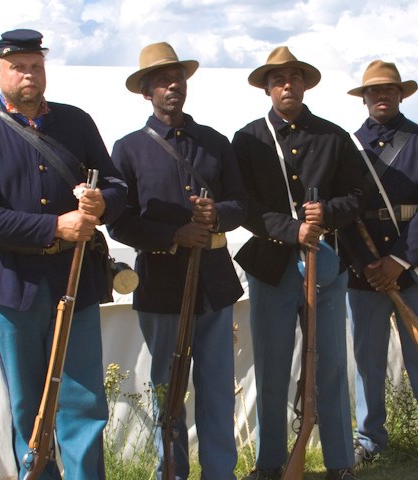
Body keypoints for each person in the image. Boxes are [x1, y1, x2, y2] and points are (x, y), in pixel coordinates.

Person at [0, 29, 127, 479]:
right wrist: (56, 226)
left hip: (77, 281)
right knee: (29, 403)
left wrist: (100, 202)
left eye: (36, 65)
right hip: (15, 289)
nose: (29, 74)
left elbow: (118, 186)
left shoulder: (77, 122)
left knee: (84, 399)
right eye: (18, 67)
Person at [107, 42, 248, 480]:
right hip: (162, 285)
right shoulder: (127, 150)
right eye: (163, 80)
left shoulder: (215, 143)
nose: (173, 86)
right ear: (146, 90)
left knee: (217, 391)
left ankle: (220, 474)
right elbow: (119, 222)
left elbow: (242, 204)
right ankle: (172, 472)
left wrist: (217, 215)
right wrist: (172, 236)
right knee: (169, 393)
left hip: (215, 282)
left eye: (178, 78)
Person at [231, 46, 369, 480]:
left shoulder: (333, 137)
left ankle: (340, 462)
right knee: (271, 367)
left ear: (305, 84)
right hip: (270, 264)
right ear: (267, 88)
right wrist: (291, 230)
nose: (286, 85)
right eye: (277, 79)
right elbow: (243, 206)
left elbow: (358, 197)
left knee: (329, 366)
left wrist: (326, 213)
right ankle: (271, 463)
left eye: (293, 77)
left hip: (325, 264)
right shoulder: (248, 139)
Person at [338, 60, 418, 478]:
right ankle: (369, 440)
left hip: (413, 268)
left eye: (389, 90)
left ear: (401, 94)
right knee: (368, 362)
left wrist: (397, 261)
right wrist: (369, 265)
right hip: (365, 271)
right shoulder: (348, 148)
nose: (381, 97)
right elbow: (344, 214)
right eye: (373, 91)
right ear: (364, 98)